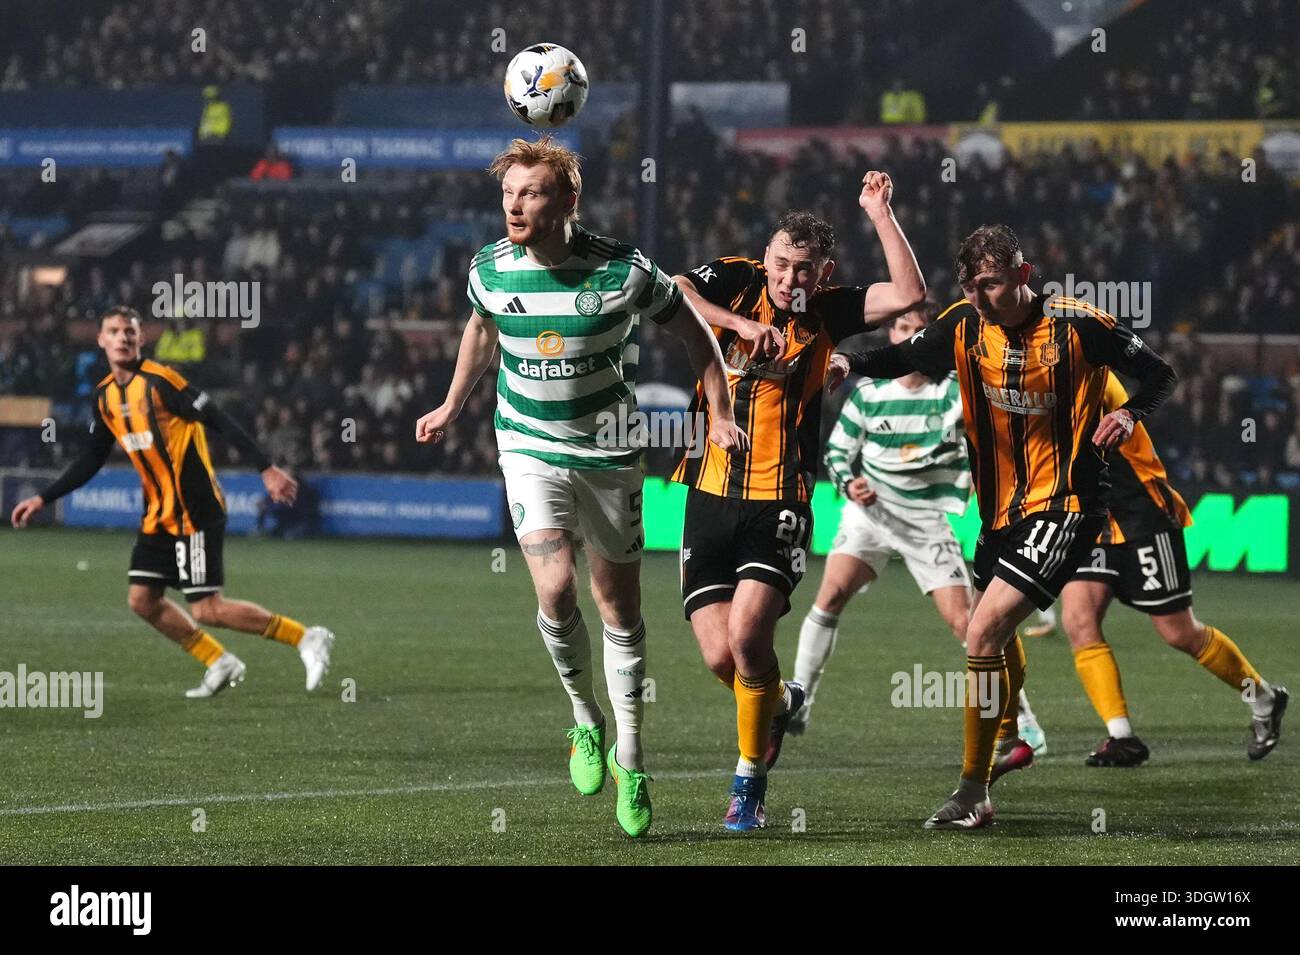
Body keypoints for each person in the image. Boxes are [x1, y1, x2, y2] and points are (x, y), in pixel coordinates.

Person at [414, 136, 745, 838]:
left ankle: (632, 754)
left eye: (530, 193)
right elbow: (480, 330)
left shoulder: (625, 270)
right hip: (528, 445)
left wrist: (720, 414)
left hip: (610, 453)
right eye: (508, 194)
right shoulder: (489, 268)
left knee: (616, 602)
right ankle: (584, 719)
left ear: (568, 200)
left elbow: (696, 334)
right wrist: (452, 403)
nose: (514, 205)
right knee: (556, 588)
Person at [834, 224, 1177, 829]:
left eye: (990, 283)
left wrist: (1126, 413)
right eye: (971, 284)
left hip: (1067, 506)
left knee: (981, 631)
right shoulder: (965, 323)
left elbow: (1159, 375)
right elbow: (905, 357)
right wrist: (848, 361)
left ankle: (973, 790)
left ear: (1023, 273)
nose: (981, 296)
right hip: (1001, 516)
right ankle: (1017, 736)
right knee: (995, 639)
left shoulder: (1079, 325)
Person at [672, 171, 926, 831]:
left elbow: (909, 294)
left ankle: (749, 783)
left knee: (749, 633)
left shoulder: (830, 311)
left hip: (780, 498)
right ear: (767, 258)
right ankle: (780, 699)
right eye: (781, 264)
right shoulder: (736, 278)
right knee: (718, 656)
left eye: (803, 269)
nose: (789, 278)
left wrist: (879, 212)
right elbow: (673, 292)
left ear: (823, 271)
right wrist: (737, 324)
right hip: (708, 493)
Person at [11, 306, 334, 698]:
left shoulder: (163, 383)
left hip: (194, 510)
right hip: (158, 514)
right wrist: (44, 498)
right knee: (143, 600)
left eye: (130, 331)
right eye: (114, 331)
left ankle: (306, 637)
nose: (123, 337)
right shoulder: (105, 397)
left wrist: (266, 468)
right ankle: (219, 661)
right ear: (101, 340)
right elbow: (92, 458)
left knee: (207, 609)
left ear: (140, 338)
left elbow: (219, 418)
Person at [791, 304, 1048, 762]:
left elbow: (995, 434)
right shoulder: (868, 392)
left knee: (972, 626)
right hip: (871, 514)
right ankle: (799, 706)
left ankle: (1021, 715)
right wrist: (849, 482)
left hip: (927, 520)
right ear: (893, 334)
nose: (912, 340)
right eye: (905, 329)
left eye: (921, 332)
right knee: (828, 598)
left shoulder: (956, 393)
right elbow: (835, 453)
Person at [1061, 371, 1287, 764]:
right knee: (1078, 621)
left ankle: (1265, 698)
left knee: (1179, 633)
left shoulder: (1088, 375)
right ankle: (1122, 737)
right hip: (1091, 521)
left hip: (1140, 514)